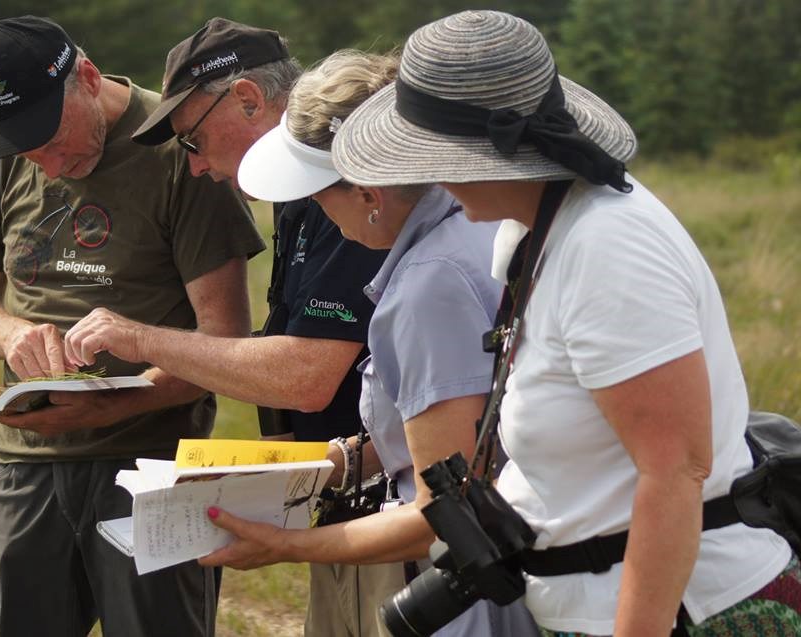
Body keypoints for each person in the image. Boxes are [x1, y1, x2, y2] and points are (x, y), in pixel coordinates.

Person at [326, 10, 798, 637]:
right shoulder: (533, 231)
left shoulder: (608, 246)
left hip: (693, 614)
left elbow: (675, 472)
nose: (429, 179)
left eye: (433, 156)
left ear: (483, 155)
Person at [129, 48, 536, 636]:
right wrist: (339, 461)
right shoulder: (465, 230)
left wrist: (283, 544)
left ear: (368, 194)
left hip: (450, 579)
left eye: (318, 196)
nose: (314, 211)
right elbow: (457, 433)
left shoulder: (429, 283)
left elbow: (438, 507)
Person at [65, 18, 404, 637]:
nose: (195, 168)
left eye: (192, 141)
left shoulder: (345, 185)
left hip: (401, 514)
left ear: (248, 98)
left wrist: (141, 340)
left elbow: (307, 376)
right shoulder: (298, 195)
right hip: (357, 494)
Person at [0, 16, 264, 637]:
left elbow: (224, 343)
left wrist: (116, 404)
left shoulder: (184, 147)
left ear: (88, 79)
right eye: (21, 146)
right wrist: (12, 335)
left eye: (48, 136)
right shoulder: (7, 155)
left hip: (149, 469)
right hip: (23, 463)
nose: (43, 162)